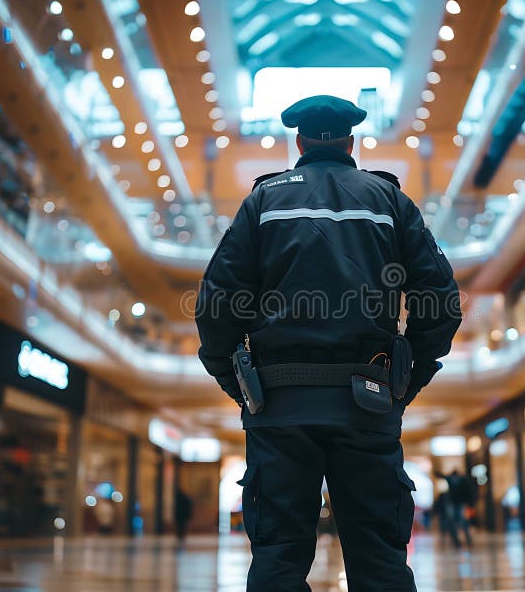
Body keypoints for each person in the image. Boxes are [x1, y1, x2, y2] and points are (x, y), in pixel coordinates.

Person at [196, 95, 461, 591]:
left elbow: (216, 305)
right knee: (381, 561)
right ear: (351, 141)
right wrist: (406, 379)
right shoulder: (390, 202)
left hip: (279, 407)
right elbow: (440, 301)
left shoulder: (263, 202)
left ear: (298, 141)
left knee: (277, 559)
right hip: (368, 404)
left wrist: (243, 385)